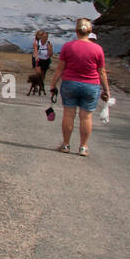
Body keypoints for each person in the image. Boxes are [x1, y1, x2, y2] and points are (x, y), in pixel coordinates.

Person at [48, 18, 110, 157]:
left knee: (68, 115)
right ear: (90, 31)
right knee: (86, 117)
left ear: (76, 31)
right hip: (91, 85)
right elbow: (101, 72)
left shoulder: (68, 46)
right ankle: (83, 147)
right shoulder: (98, 49)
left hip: (70, 83)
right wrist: (106, 90)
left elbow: (60, 69)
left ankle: (65, 144)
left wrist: (53, 84)